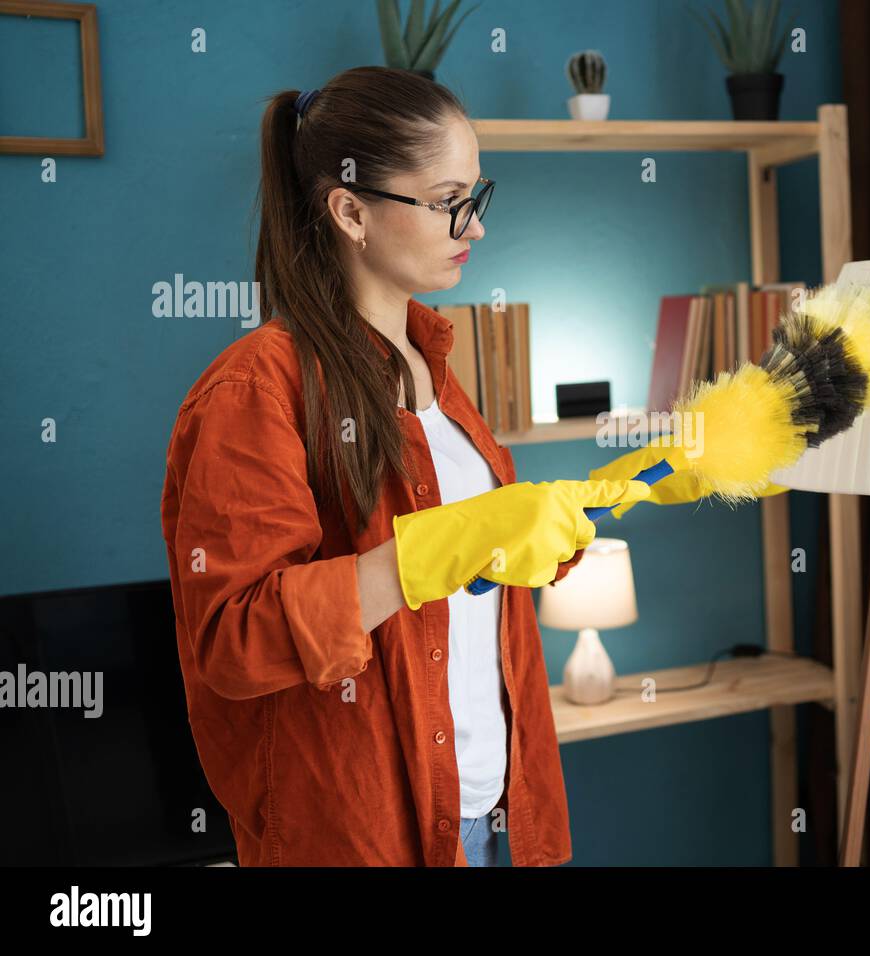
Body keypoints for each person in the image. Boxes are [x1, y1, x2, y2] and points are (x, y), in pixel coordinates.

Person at [159, 66, 649, 867]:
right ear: (350, 210)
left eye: (477, 195)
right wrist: (431, 550)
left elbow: (482, 580)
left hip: (495, 817)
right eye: (448, 199)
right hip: (367, 839)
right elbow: (234, 641)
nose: (475, 226)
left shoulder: (435, 368)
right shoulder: (256, 389)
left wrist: (595, 503)